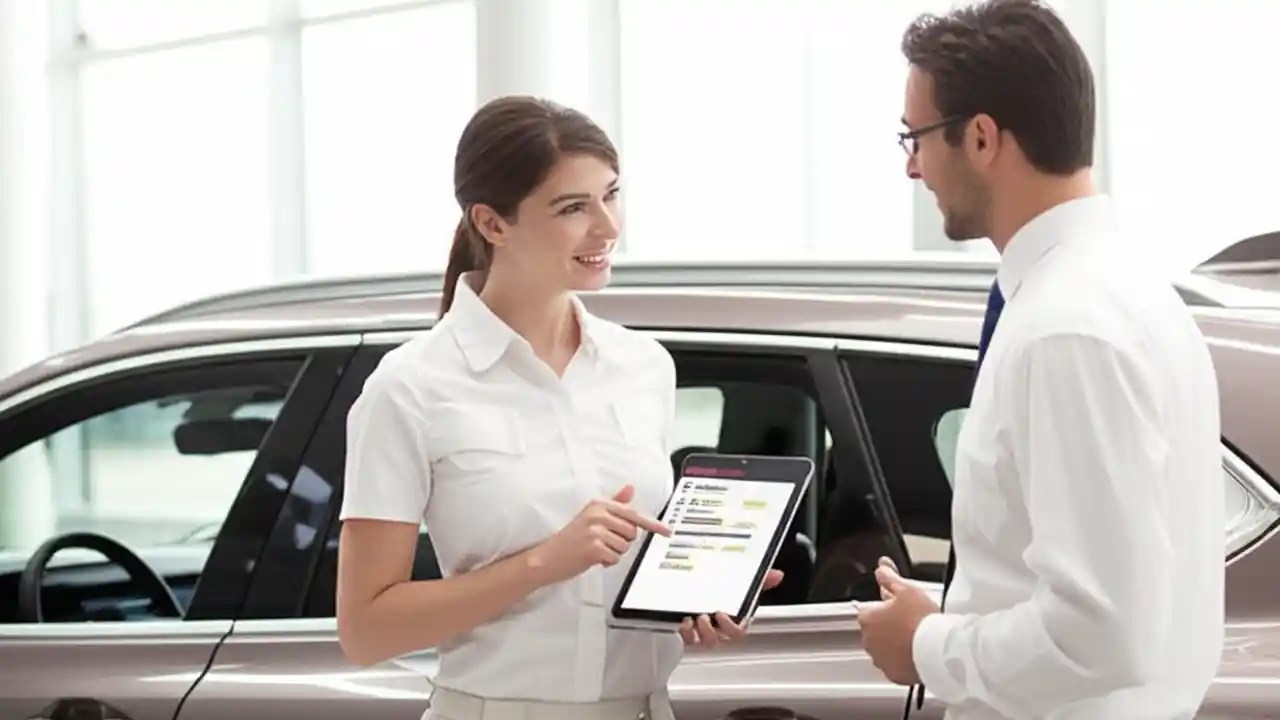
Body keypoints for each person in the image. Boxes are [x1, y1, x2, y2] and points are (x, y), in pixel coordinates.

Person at [334, 95, 780, 720]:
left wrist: (689, 590)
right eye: (574, 207)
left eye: (611, 195)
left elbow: (611, 574)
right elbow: (366, 631)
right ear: (492, 223)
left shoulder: (643, 366)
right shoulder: (411, 387)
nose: (608, 227)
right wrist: (544, 562)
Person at [858, 1, 1225, 718]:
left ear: (985, 138)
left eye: (917, 137)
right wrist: (958, 612)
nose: (913, 167)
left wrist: (929, 644)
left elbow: (1100, 632)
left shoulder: (1067, 327)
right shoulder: (1122, 295)